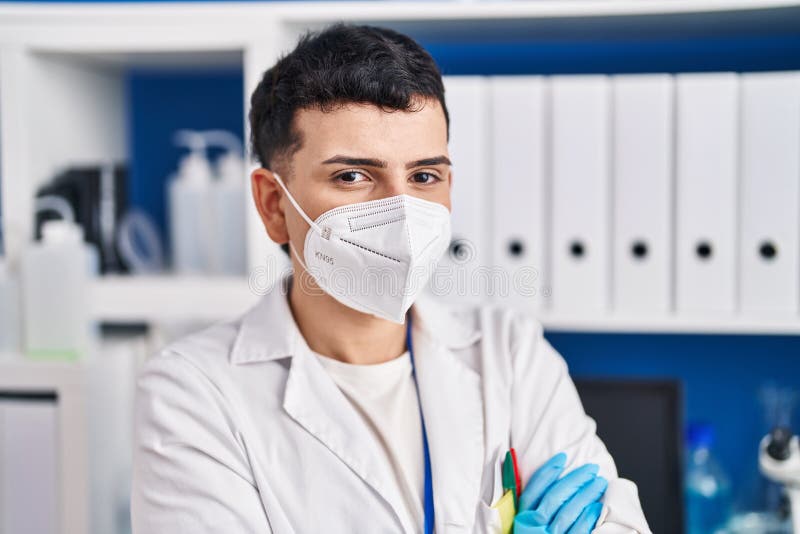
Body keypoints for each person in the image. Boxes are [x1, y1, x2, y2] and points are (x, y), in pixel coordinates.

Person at [131, 22, 652, 534]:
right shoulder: (192, 393)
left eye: (424, 176)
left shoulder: (508, 353)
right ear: (273, 205)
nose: (401, 211)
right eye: (352, 176)